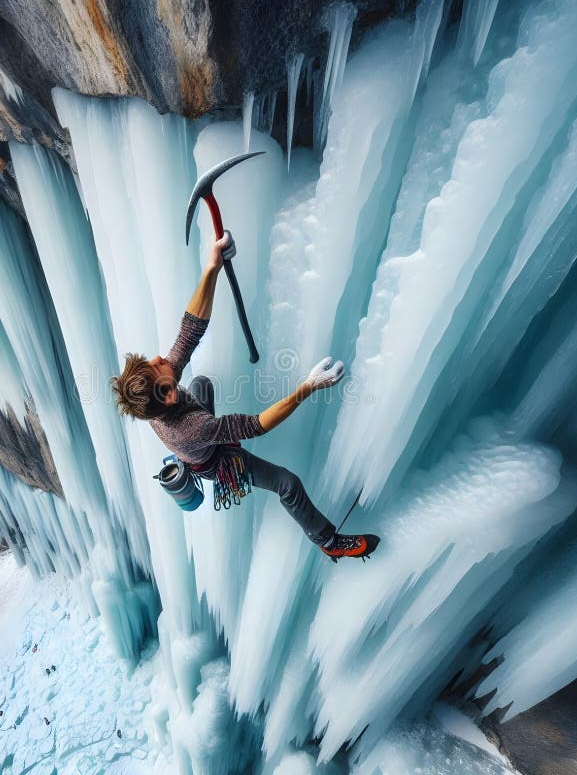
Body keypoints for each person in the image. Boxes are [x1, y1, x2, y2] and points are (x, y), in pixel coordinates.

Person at [111, 232, 379, 561]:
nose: (159, 358)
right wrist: (308, 387)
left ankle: (201, 445)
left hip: (192, 437)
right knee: (287, 484)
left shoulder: (159, 396)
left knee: (202, 384)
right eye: (157, 366)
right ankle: (329, 542)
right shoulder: (193, 427)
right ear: (166, 395)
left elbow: (189, 333)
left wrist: (212, 267)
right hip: (217, 461)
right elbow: (256, 425)